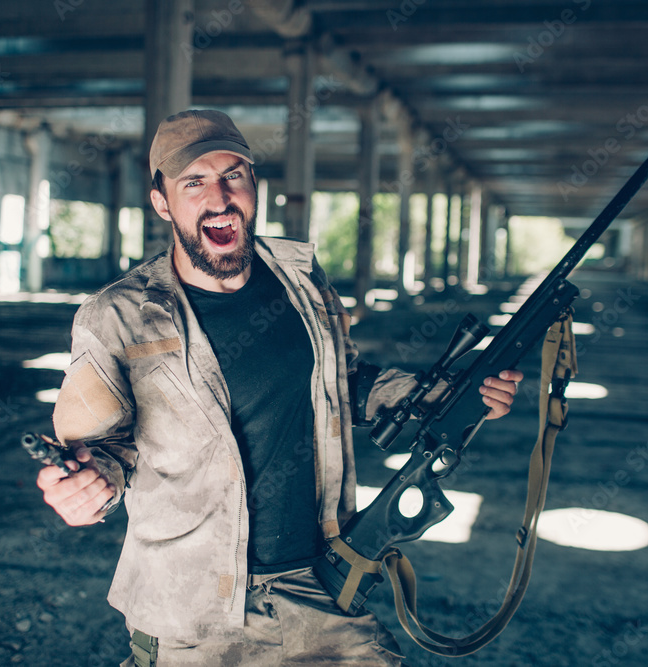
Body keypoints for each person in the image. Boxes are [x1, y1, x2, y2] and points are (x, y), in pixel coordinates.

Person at [36, 109, 523, 666]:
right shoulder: (119, 316)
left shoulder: (302, 279)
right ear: (163, 202)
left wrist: (446, 395)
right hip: (194, 614)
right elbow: (99, 450)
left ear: (253, 185)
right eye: (193, 181)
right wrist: (83, 487)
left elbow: (341, 383)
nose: (219, 196)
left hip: (318, 582)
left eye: (233, 174)